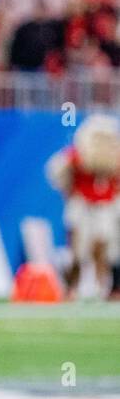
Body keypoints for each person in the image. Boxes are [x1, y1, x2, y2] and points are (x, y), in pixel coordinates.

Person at [47, 115, 120, 300]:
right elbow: (57, 174)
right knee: (77, 250)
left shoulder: (115, 156)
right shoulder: (75, 156)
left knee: (106, 246)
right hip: (83, 205)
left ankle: (106, 286)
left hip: (106, 206)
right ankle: (72, 287)